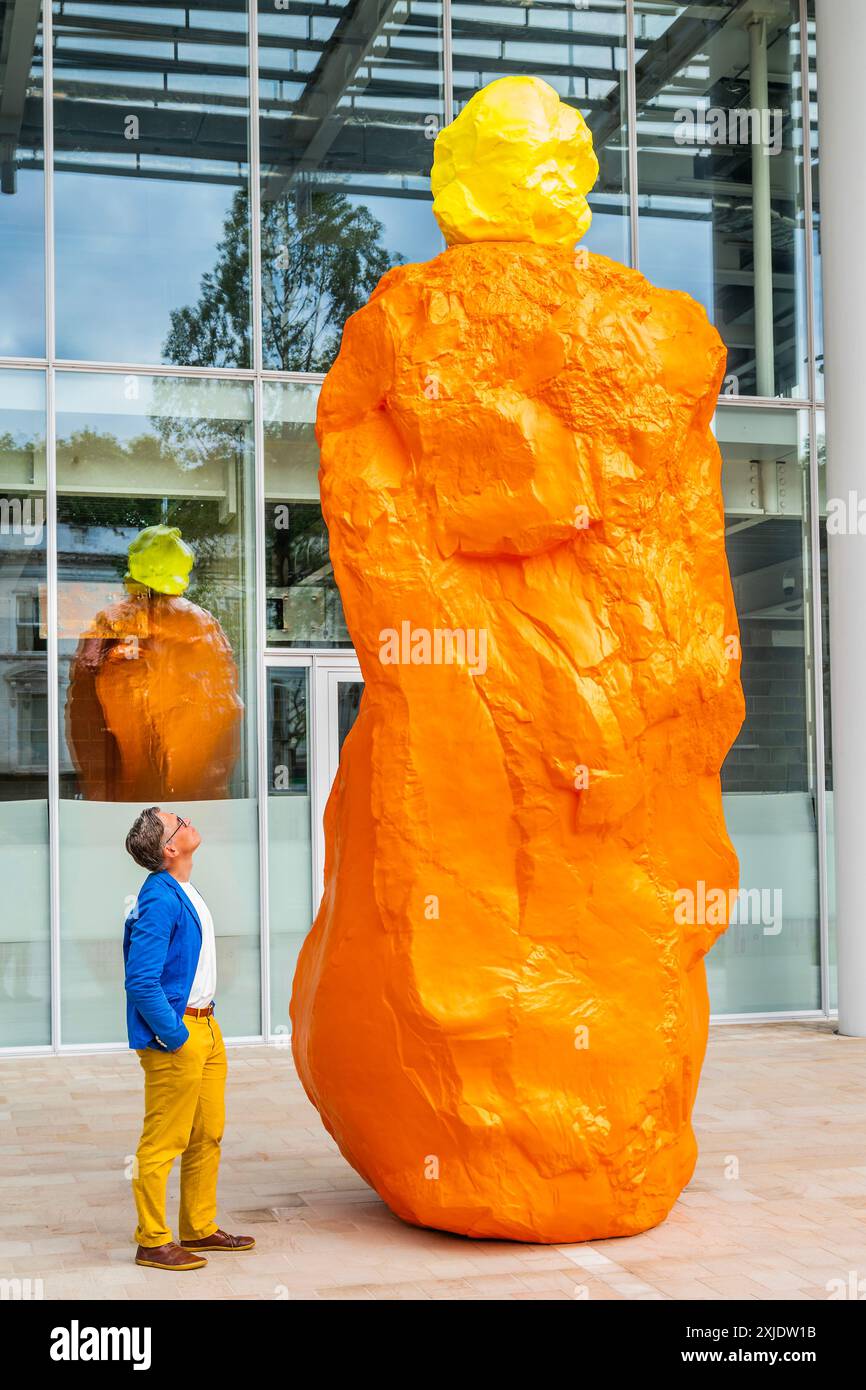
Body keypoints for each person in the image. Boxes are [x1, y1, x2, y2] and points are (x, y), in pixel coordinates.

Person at [123, 806, 254, 1271]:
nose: (189, 821)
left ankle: (199, 1227)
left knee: (207, 1133)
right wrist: (176, 1035)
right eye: (179, 822)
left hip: (207, 1025)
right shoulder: (158, 897)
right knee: (164, 1140)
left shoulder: (183, 888)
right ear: (169, 847)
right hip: (178, 1033)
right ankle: (153, 1240)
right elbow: (141, 980)